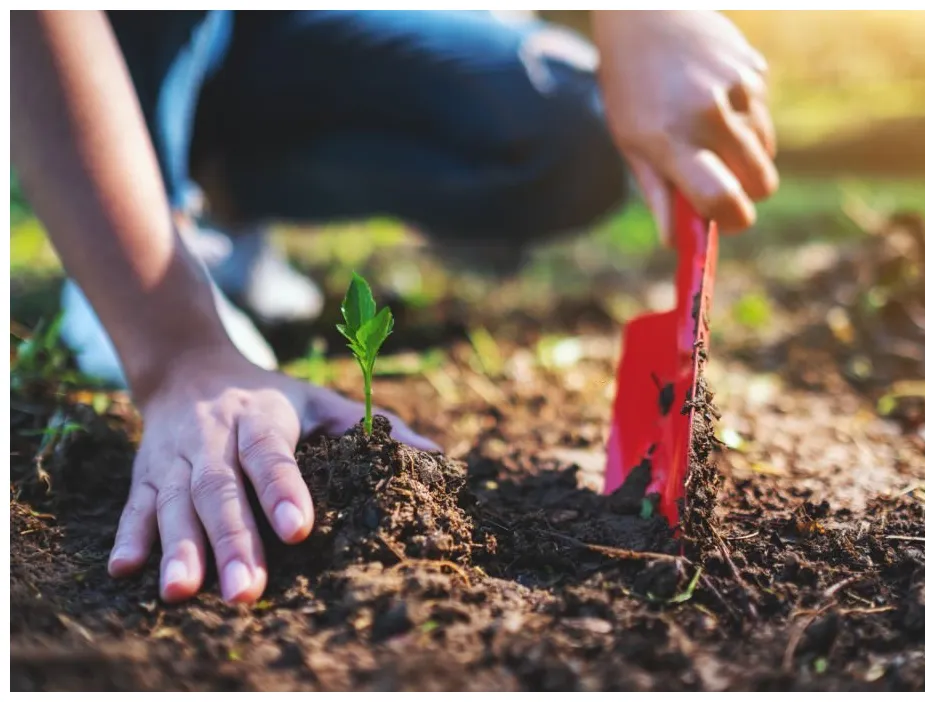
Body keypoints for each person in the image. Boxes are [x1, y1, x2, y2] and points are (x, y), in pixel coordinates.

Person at [12, 10, 777, 605]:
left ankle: (206, 189)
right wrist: (177, 350)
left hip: (271, 41)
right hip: (92, 39)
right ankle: (137, 233)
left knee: (571, 126)